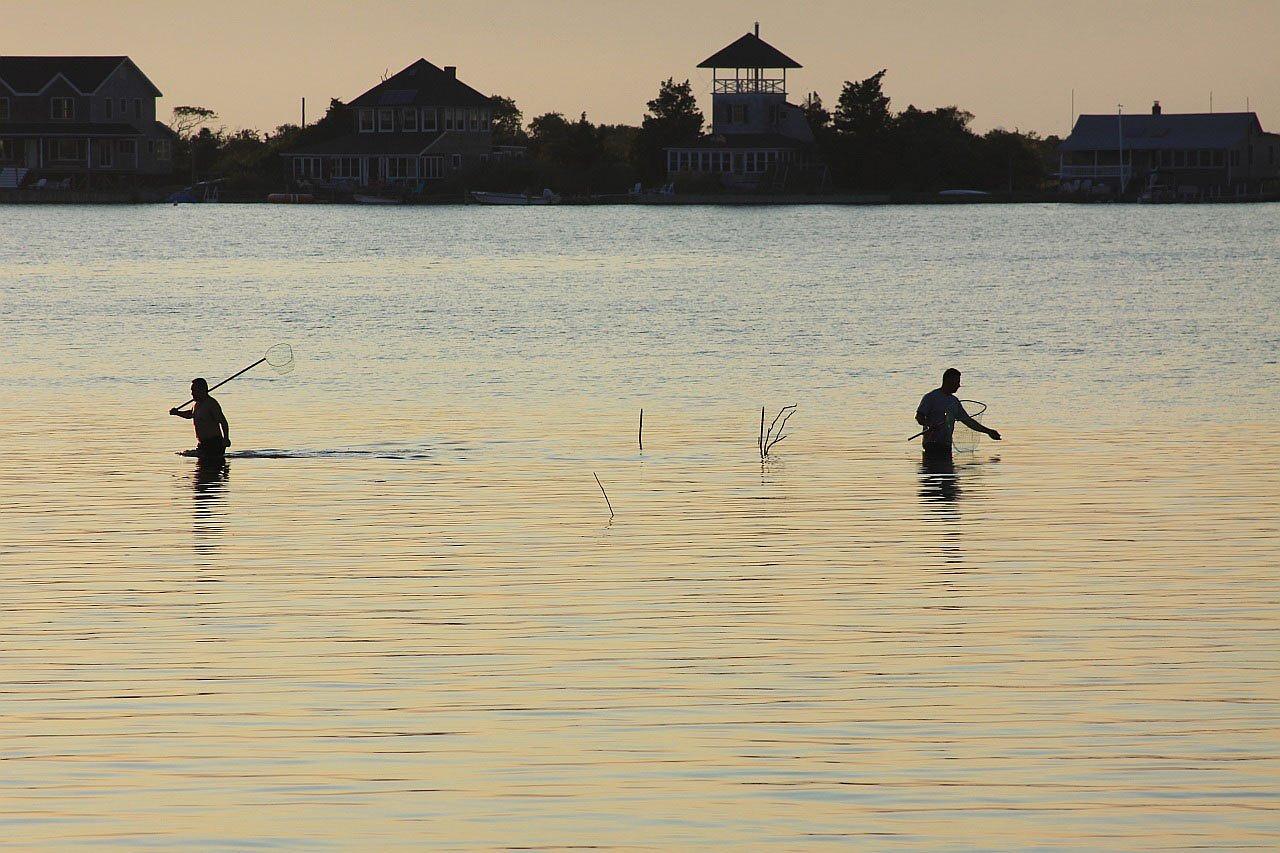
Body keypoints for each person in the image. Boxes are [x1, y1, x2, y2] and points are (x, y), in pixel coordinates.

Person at [916, 368, 1001, 457]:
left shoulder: (954, 401)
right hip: (931, 444)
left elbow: (968, 421)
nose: (959, 385)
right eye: (957, 382)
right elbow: (919, 417)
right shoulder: (930, 397)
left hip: (946, 445)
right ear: (948, 381)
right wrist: (929, 424)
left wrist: (989, 431)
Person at [170, 378, 231, 461]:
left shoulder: (211, 404)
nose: (192, 393)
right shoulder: (196, 404)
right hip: (202, 444)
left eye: (194, 390)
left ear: (202, 390)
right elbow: (190, 414)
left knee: (206, 471)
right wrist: (177, 413)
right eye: (192, 391)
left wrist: (226, 438)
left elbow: (223, 422)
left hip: (214, 443)